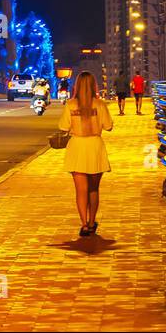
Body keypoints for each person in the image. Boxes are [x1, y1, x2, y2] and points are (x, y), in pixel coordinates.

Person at [58, 71, 113, 238]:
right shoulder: (100, 104)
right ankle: (91, 221)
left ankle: (84, 224)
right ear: (93, 86)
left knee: (80, 190)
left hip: (77, 146)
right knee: (94, 189)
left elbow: (63, 126)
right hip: (95, 146)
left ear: (77, 86)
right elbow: (108, 126)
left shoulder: (70, 105)